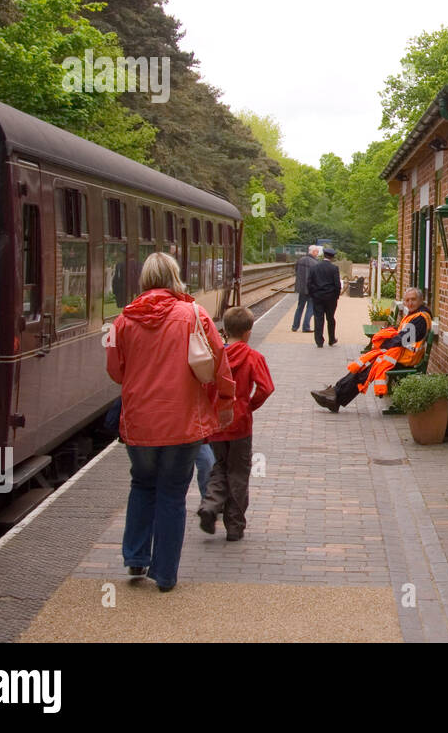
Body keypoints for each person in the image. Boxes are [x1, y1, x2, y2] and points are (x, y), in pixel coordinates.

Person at [106, 252, 235, 592]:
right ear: (175, 276)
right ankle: (164, 575)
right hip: (183, 422)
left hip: (139, 423)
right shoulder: (193, 314)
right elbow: (220, 362)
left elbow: (115, 371)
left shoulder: (123, 321)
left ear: (144, 278)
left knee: (142, 485)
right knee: (173, 495)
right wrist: (225, 400)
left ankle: (135, 558)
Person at [198, 306, 274, 541]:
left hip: (217, 424)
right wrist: (249, 405)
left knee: (219, 467)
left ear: (224, 330)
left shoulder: (214, 358)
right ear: (248, 332)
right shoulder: (253, 357)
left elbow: (203, 386)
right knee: (239, 473)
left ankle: (210, 505)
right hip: (240, 423)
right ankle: (234, 525)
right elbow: (266, 388)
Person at [309, 287, 431, 412]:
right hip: (400, 355)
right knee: (364, 366)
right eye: (407, 300)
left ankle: (336, 396)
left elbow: (403, 339)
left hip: (406, 358)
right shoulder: (415, 315)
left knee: (367, 369)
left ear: (421, 300)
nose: (410, 303)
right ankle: (335, 393)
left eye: (413, 300)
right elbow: (402, 336)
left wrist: (384, 345)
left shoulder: (420, 318)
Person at [307, 247, 341, 348]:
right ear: (332, 257)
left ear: (324, 255)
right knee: (330, 318)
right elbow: (337, 285)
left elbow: (309, 283)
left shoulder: (314, 268)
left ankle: (319, 341)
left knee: (318, 318)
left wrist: (313, 294)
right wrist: (336, 296)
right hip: (331, 298)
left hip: (317, 297)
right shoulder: (334, 268)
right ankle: (331, 339)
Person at [291, 245, 319, 333]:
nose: (317, 254)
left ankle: (295, 326)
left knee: (299, 307)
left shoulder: (300, 260)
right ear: (313, 252)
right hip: (311, 289)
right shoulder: (315, 263)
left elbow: (296, 271)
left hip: (301, 288)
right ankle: (306, 327)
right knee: (310, 308)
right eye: (317, 252)